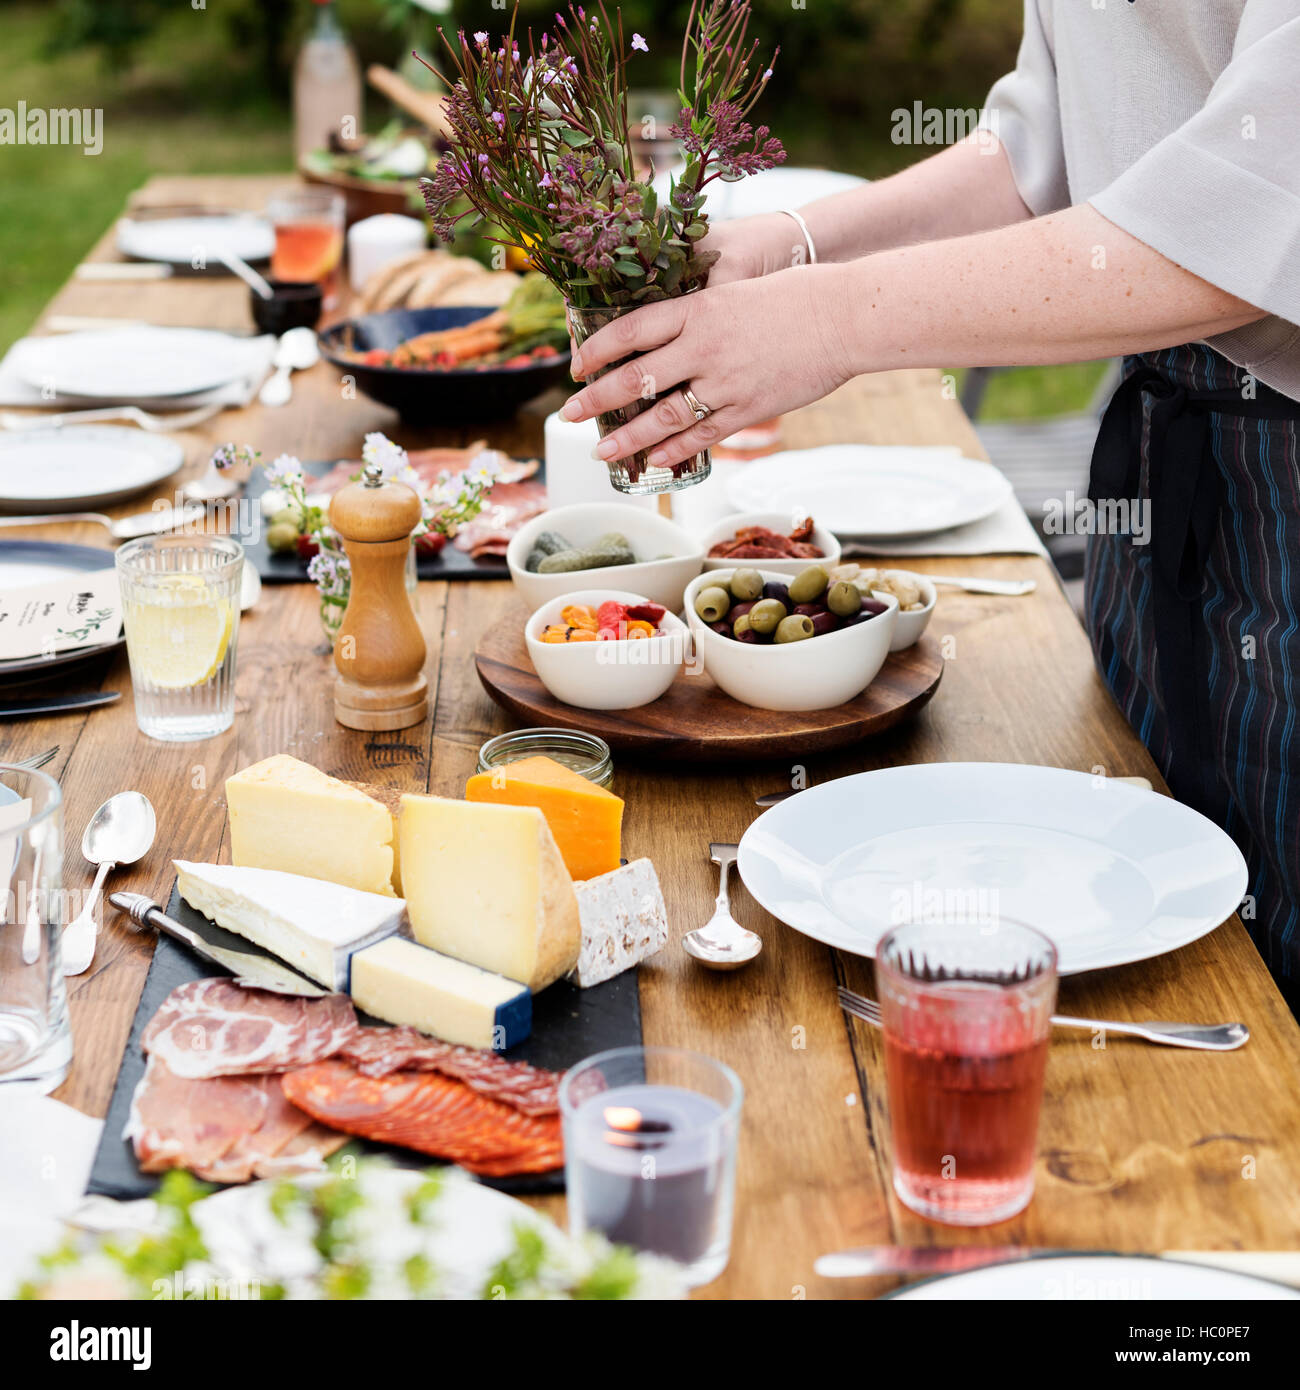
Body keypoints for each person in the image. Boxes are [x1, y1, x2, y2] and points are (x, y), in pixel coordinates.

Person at [559, 2, 1300, 1004]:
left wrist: (829, 322)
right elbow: (1043, 153)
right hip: (1171, 464)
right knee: (1159, 944)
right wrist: (797, 245)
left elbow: (1242, 217)